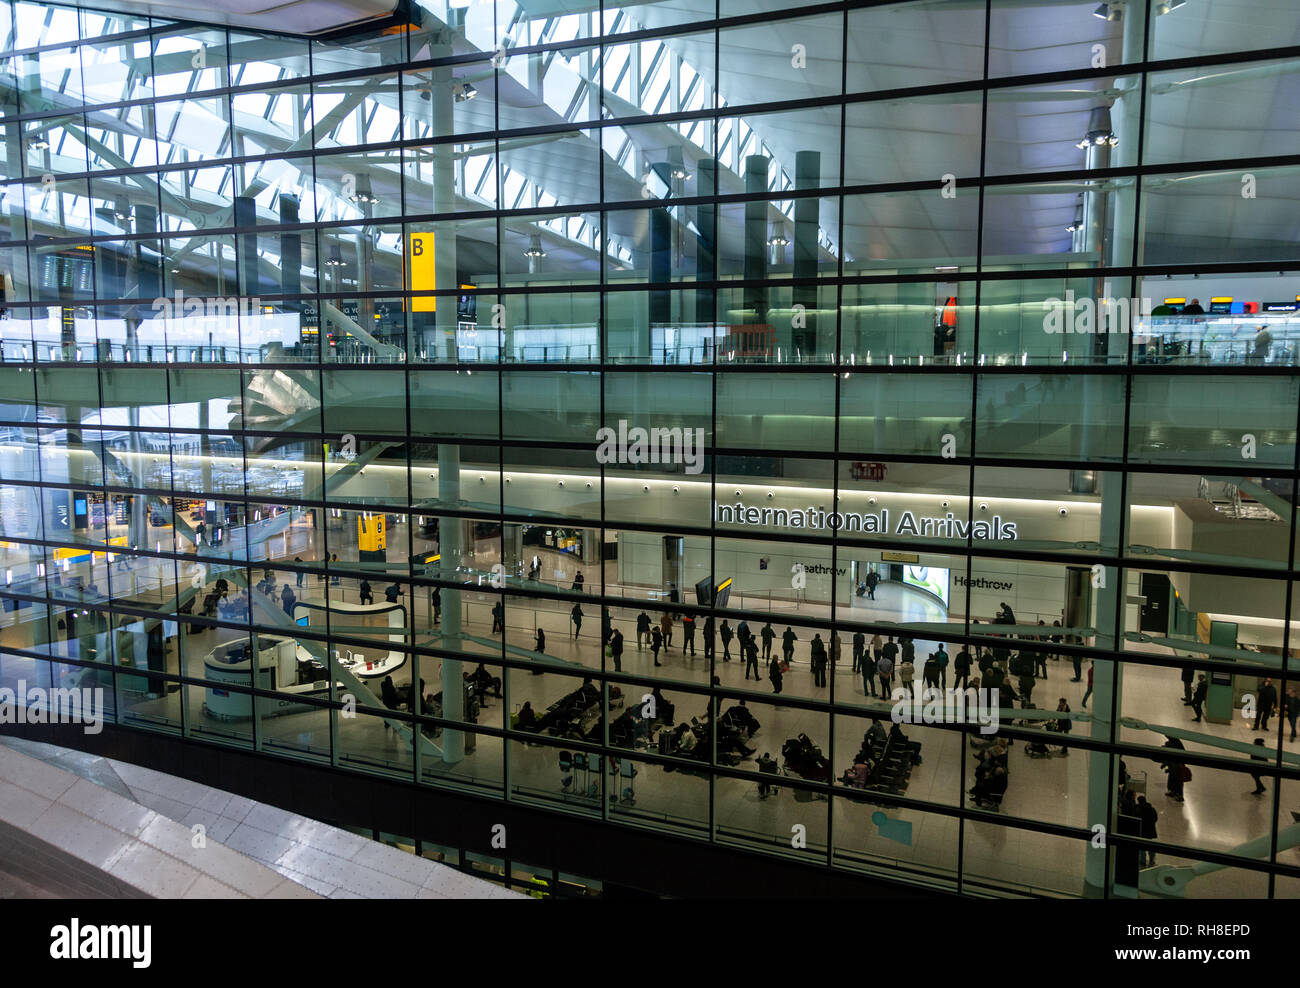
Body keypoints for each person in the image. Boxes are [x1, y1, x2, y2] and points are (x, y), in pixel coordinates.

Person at [1160, 737, 1186, 802]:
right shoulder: (1177, 744)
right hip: (1173, 766)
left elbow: (1169, 756)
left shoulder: (1172, 744)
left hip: (1176, 766)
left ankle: (1179, 795)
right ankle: (1172, 792)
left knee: (1177, 781)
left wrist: (1164, 764)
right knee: (1172, 780)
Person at [1136, 795, 1158, 867]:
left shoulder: (1138, 809)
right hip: (1150, 830)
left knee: (1142, 846)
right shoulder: (1152, 808)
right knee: (1150, 845)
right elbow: (1155, 818)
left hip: (1142, 830)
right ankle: (1152, 860)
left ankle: (1142, 861)